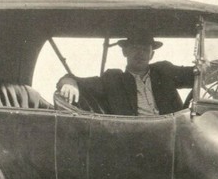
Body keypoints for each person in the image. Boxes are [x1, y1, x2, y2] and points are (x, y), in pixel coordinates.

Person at [55, 28, 204, 116]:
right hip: (134, 139)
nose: (140, 54)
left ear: (151, 54)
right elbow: (75, 80)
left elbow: (198, 73)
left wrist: (214, 65)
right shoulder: (113, 79)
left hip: (172, 135)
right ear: (125, 52)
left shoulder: (164, 72)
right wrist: (68, 83)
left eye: (145, 49)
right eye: (134, 48)